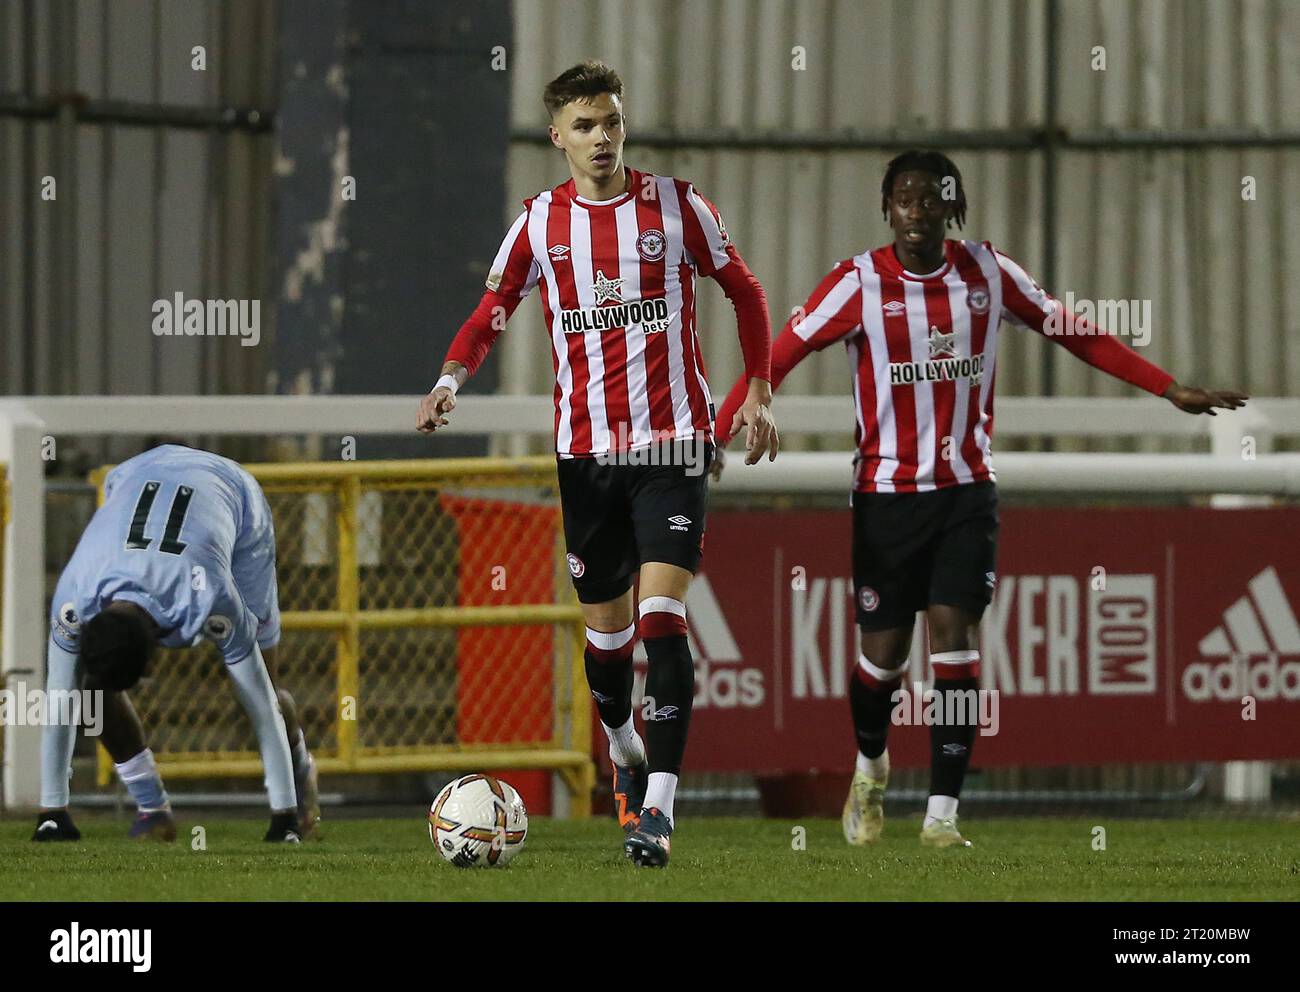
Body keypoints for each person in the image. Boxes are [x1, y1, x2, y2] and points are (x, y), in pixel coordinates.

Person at [716, 149, 1247, 848]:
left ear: (953, 208)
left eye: (932, 200)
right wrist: (716, 434)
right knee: (882, 662)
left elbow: (1073, 330)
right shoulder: (856, 284)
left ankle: (942, 817)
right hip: (886, 499)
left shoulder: (990, 275)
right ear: (886, 210)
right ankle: (871, 765)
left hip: (967, 492)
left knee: (956, 644)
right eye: (903, 201)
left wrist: (1166, 385)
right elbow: (774, 359)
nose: (917, 213)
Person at [417, 61, 778, 867]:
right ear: (559, 138)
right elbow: (491, 312)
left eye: (612, 121)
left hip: (674, 447)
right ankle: (622, 744)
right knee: (609, 649)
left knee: (663, 624)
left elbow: (746, 291)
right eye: (585, 125)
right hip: (586, 457)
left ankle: (657, 813)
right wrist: (449, 379)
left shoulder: (680, 207)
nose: (603, 137)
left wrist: (757, 388)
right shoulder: (539, 225)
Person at [33, 444, 320, 844]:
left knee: (267, 691)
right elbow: (60, 698)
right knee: (91, 694)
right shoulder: (74, 593)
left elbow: (259, 703)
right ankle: (153, 809)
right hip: (134, 472)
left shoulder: (210, 596)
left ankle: (302, 777)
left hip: (234, 495)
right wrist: (52, 814)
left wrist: (283, 819)